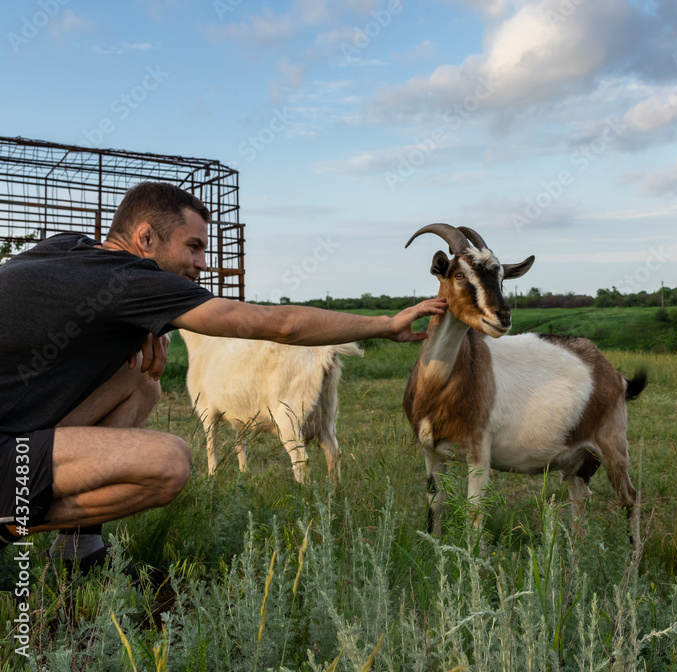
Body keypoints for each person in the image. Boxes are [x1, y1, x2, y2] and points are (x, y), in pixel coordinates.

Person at [0, 181, 446, 568]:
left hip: (15, 430)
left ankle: (79, 546)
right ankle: (6, 522)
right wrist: (385, 325)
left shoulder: (69, 247)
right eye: (192, 247)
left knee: (141, 382)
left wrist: (144, 327)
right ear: (145, 237)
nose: (202, 264)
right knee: (168, 464)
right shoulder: (133, 281)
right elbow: (279, 325)